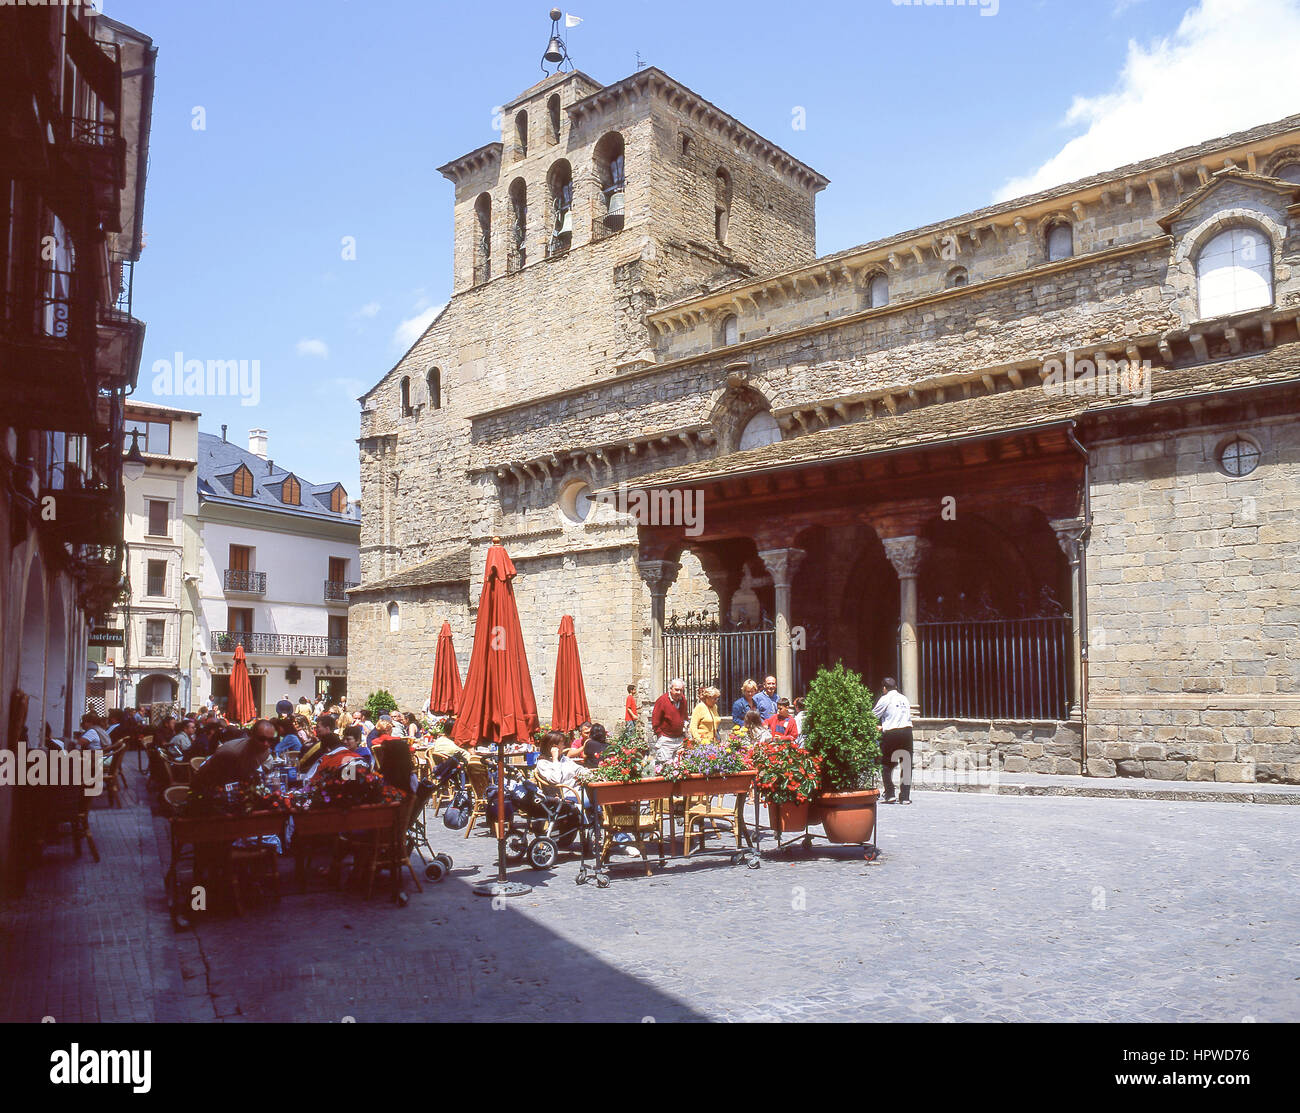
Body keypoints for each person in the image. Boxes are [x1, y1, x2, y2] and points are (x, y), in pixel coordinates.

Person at [191, 721, 275, 794]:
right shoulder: (231, 752)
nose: (266, 744)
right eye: (261, 739)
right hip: (207, 787)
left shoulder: (265, 752)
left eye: (270, 740)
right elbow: (207, 777)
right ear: (251, 735)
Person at [874, 678, 913, 805]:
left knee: (885, 765)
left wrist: (881, 727)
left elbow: (873, 715)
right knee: (906, 764)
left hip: (892, 733)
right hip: (907, 733)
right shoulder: (904, 699)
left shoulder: (885, 699)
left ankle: (890, 794)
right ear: (895, 687)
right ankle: (905, 797)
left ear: (884, 688)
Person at [650, 678, 689, 762]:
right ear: (671, 689)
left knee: (679, 766)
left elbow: (685, 716)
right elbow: (655, 721)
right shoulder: (662, 700)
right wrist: (660, 735)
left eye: (681, 690)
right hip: (666, 740)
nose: (679, 692)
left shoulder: (683, 700)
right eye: (676, 690)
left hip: (679, 740)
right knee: (664, 766)